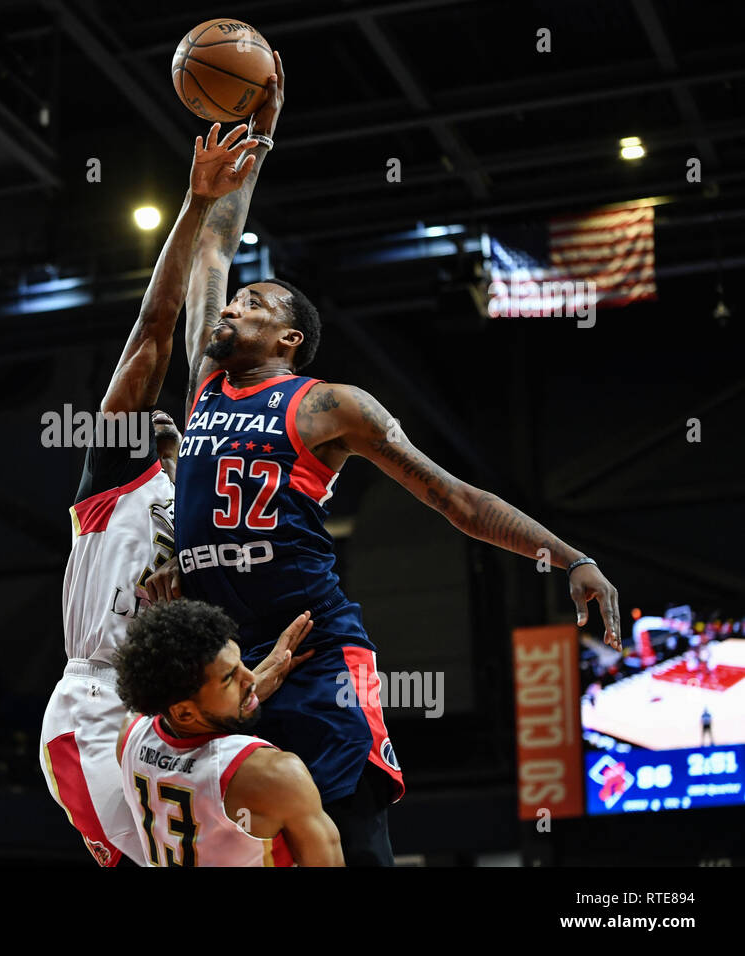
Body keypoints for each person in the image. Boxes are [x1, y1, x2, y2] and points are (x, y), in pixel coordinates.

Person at [151, 50, 623, 865]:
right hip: (227, 659)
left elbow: (454, 499)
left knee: (355, 839)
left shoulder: (328, 405)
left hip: (318, 654)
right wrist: (260, 130)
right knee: (255, 848)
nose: (231, 306)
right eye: (234, 301)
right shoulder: (201, 383)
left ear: (289, 339)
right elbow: (214, 244)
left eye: (253, 305)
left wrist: (569, 554)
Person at [39, 99, 311, 866]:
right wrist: (199, 200)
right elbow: (159, 325)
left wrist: (249, 680)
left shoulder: (208, 489)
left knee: (271, 847)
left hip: (178, 712)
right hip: (97, 707)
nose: (165, 417)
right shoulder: (114, 479)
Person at [114, 599, 342, 867]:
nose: (249, 678)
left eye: (240, 663)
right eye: (229, 678)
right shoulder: (272, 774)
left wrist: (242, 694)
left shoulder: (129, 734)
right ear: (185, 713)